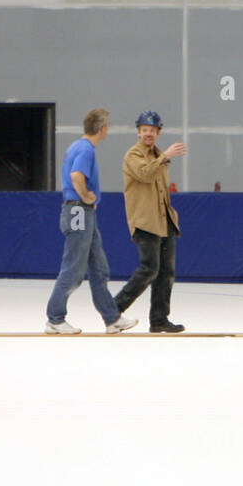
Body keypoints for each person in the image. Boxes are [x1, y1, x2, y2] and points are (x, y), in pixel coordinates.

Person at [45, 108, 139, 334]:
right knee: (73, 269)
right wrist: (87, 195)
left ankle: (112, 318)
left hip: (83, 213)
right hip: (79, 211)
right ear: (103, 128)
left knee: (99, 268)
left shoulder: (77, 146)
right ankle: (55, 319)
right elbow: (77, 176)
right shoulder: (86, 150)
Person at [113, 111, 187, 333]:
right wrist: (164, 157)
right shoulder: (133, 156)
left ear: (158, 133)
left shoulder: (158, 155)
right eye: (145, 130)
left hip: (164, 221)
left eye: (153, 131)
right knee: (149, 268)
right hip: (145, 222)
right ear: (138, 132)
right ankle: (114, 308)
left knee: (166, 272)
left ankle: (159, 319)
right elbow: (144, 174)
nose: (149, 134)